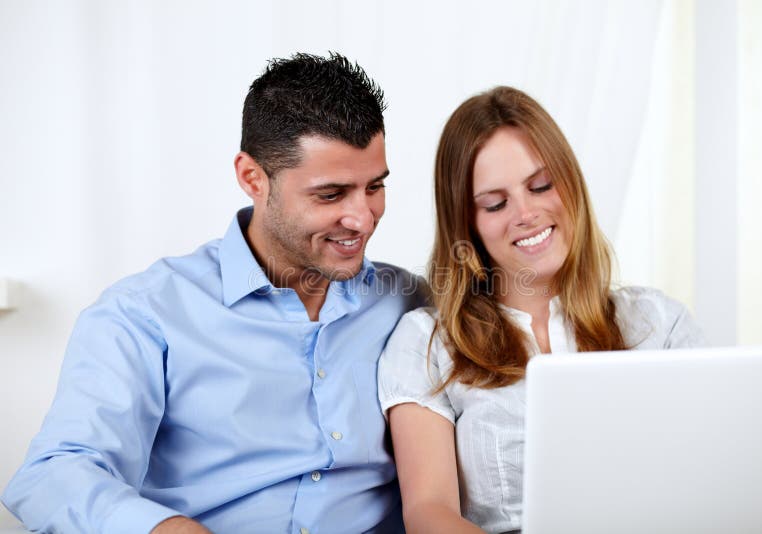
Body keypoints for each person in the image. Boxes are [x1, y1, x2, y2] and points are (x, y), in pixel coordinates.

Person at [2, 53, 426, 534]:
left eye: (374, 187)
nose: (362, 218)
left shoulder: (410, 305)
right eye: (330, 195)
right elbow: (53, 475)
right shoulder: (145, 313)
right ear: (252, 178)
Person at [378, 86, 704, 534]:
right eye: (495, 203)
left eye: (541, 185)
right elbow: (429, 513)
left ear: (570, 184)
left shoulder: (658, 324)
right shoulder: (426, 343)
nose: (526, 213)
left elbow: (708, 476)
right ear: (466, 223)